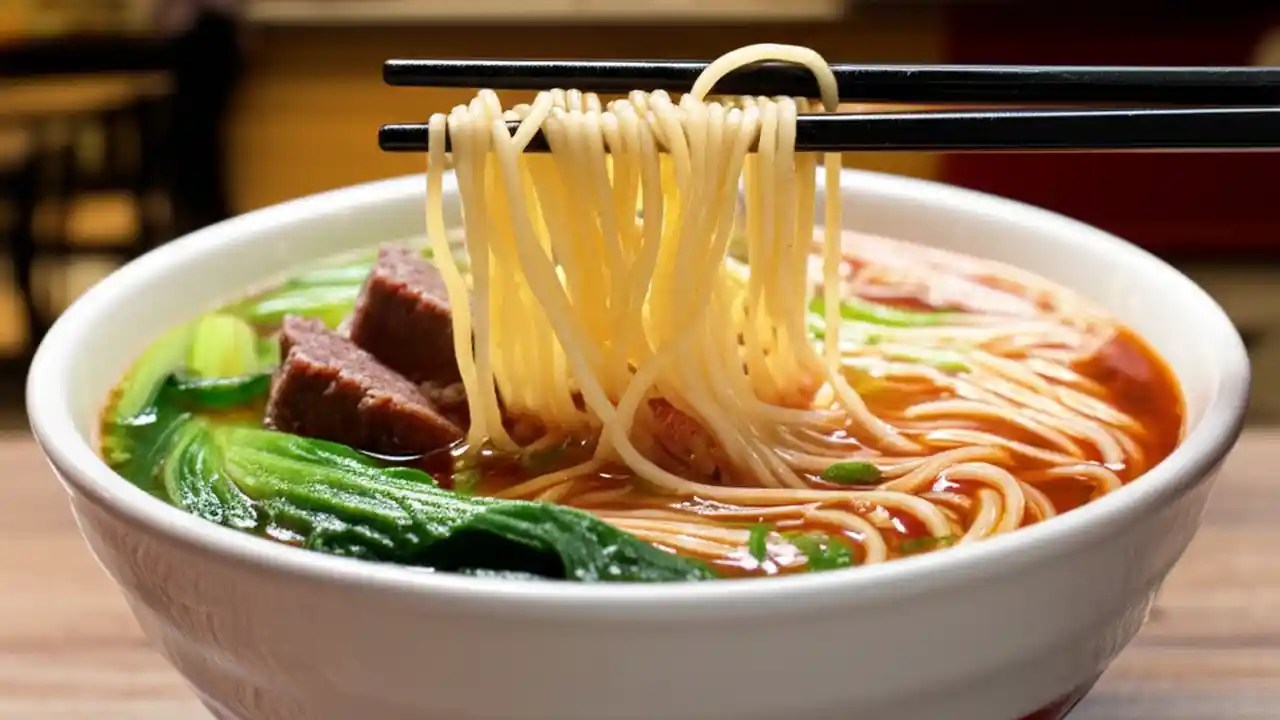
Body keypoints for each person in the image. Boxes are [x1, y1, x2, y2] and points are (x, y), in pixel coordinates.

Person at [156, 0, 245, 235]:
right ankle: (201, 224)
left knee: (196, 143)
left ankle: (202, 226)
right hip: (201, 31)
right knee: (194, 144)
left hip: (204, 32)